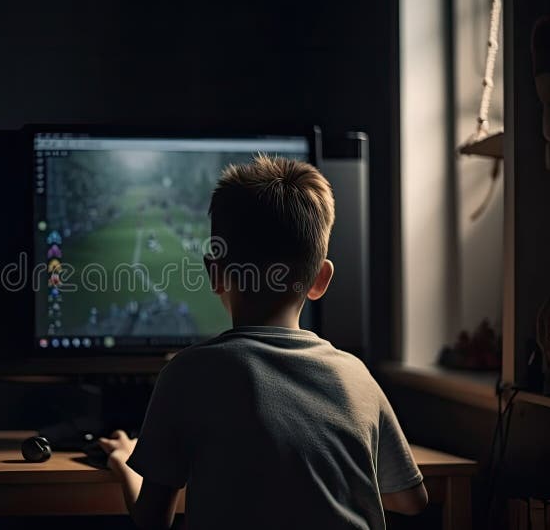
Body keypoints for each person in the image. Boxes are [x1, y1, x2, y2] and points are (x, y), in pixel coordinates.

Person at [99, 155, 427, 529]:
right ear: (321, 279)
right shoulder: (357, 376)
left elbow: (151, 520)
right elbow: (412, 500)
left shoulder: (186, 374)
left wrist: (123, 461)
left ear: (215, 274)